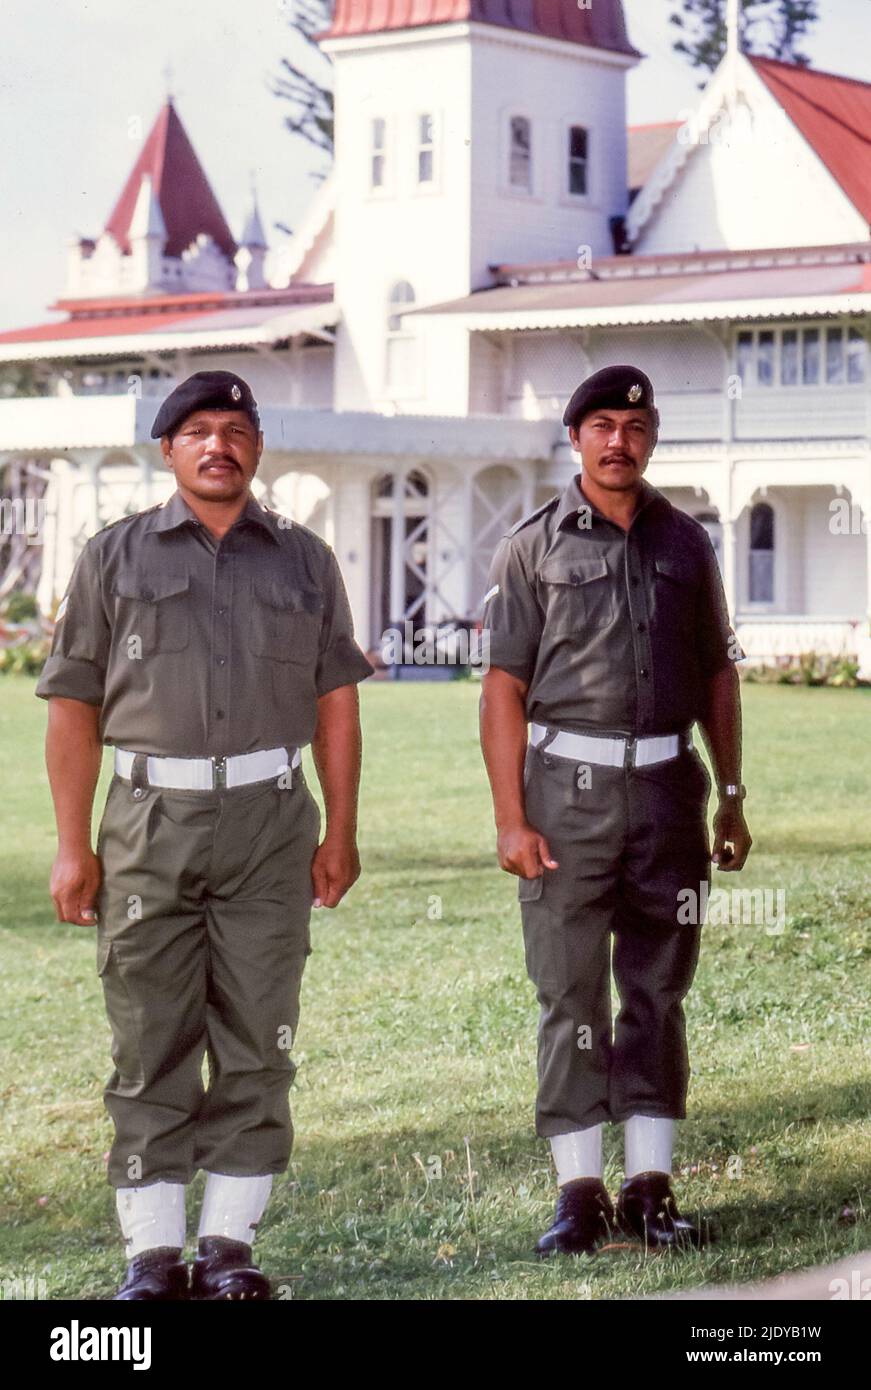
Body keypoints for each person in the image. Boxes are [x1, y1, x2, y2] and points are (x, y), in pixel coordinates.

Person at [35, 370, 374, 1299]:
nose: (218, 444)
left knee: (258, 1038)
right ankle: (151, 1256)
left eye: (236, 428)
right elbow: (71, 705)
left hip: (271, 823)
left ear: (257, 448)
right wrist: (74, 845)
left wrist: (339, 831)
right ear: (169, 450)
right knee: (150, 1040)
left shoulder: (305, 560)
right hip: (148, 824)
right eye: (198, 431)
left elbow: (336, 706)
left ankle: (229, 1251)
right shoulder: (114, 557)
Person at [478, 365, 752, 1256]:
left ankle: (648, 1188)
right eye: (600, 425)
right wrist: (510, 816)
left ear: (652, 436)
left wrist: (733, 793)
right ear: (575, 438)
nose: (617, 441)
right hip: (565, 797)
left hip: (671, 793)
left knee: (655, 995)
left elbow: (716, 672)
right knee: (568, 997)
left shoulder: (688, 544)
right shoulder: (531, 545)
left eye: (633, 427)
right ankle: (577, 1195)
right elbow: (504, 688)